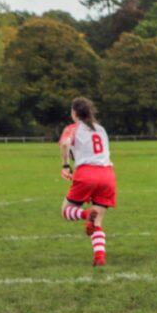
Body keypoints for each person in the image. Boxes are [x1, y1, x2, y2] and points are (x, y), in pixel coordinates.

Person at [59, 98, 115, 265]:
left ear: (74, 112)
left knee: (66, 211)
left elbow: (64, 144)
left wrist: (66, 165)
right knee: (97, 221)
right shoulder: (101, 129)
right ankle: (100, 257)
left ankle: (85, 214)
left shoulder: (73, 128)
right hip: (107, 175)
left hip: (87, 174)